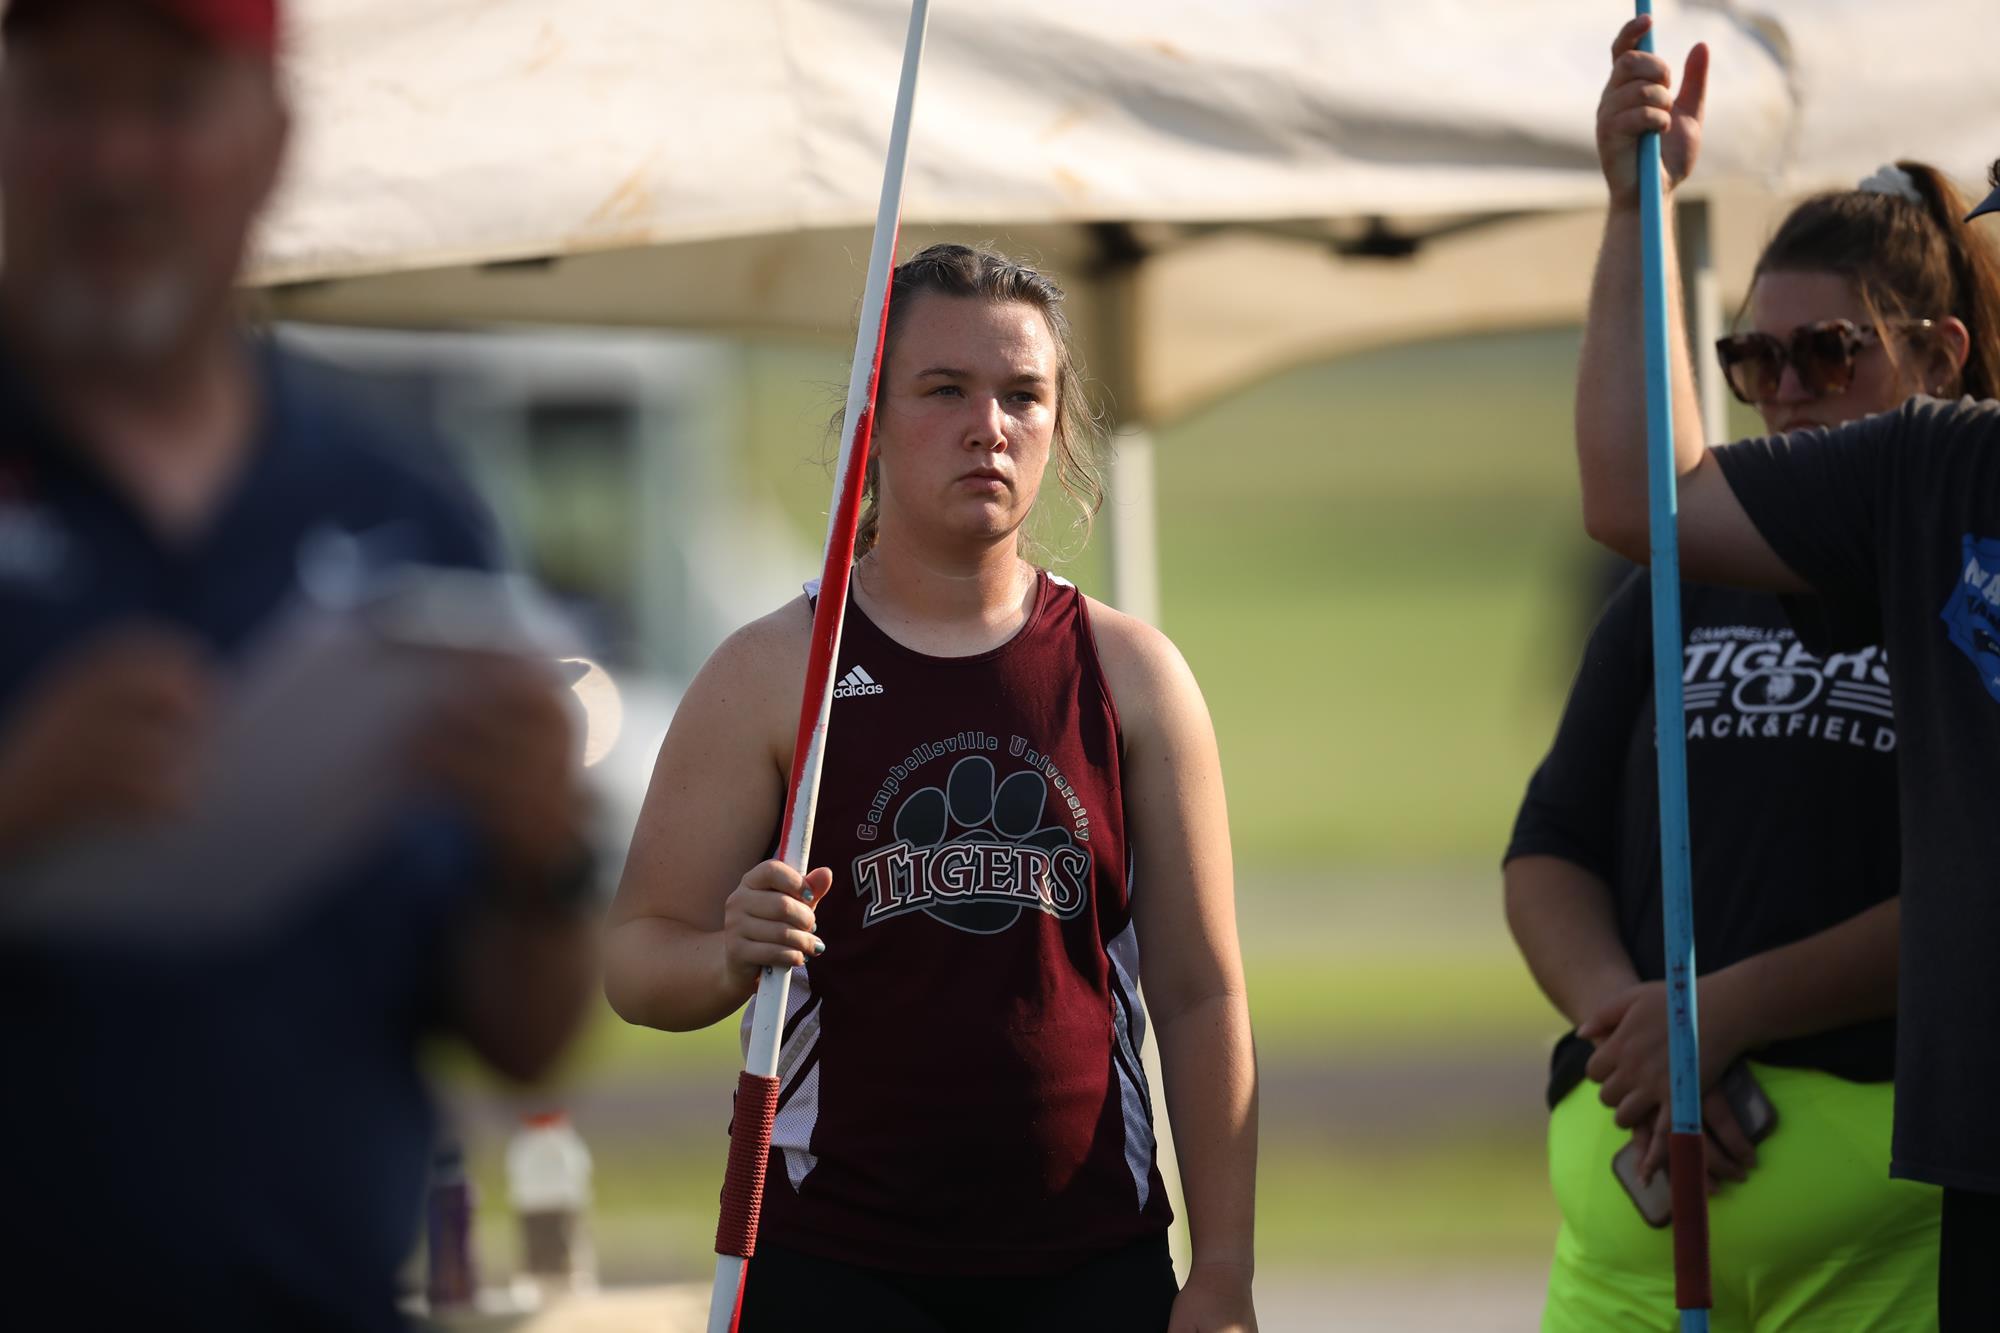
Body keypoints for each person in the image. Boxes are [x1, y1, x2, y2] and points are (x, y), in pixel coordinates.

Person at [0, 1, 598, 1327]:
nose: (113, 161)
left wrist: (542, 860)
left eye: (166, 106)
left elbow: (520, 1034)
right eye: (63, 102)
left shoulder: (405, 504)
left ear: (271, 143)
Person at [606, 243, 1258, 1333]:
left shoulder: (1132, 675)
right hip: (835, 1266)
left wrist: (1225, 1267)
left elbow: (1200, 994)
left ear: (1057, 423)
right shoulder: (776, 673)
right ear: (871, 410)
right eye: (943, 390)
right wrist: (728, 951)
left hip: (1090, 1263)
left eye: (1021, 395)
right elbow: (635, 958)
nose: (987, 425)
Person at [1511, 142, 2000, 1325]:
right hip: (1659, 1186)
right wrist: (1643, 1028)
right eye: (1748, 358)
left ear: (1938, 355)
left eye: (1824, 353)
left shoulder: (1925, 496)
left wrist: (1725, 1007)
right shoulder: (1941, 475)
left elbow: (1966, 872)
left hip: (1882, 1181)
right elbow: (1550, 840)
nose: (1779, 387)